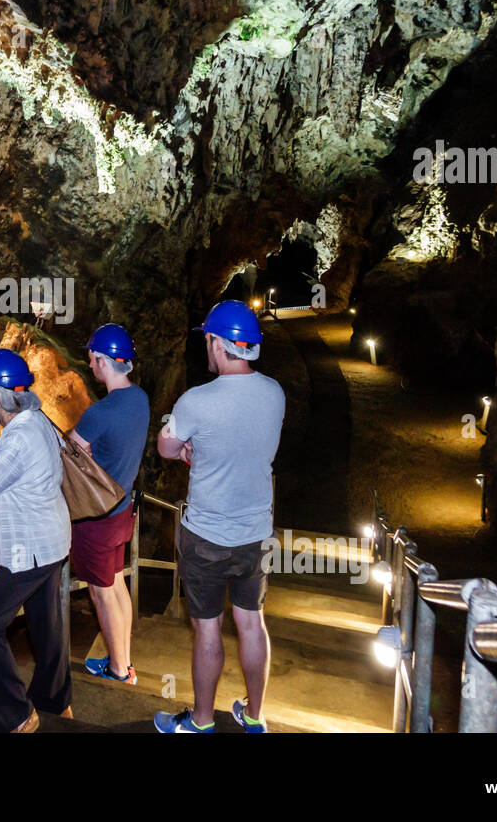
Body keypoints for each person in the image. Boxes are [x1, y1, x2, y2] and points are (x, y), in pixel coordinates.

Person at [153, 300, 285, 733]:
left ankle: (202, 721)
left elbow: (168, 449)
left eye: (207, 340)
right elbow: (246, 447)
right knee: (251, 623)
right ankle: (254, 716)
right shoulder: (274, 394)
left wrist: (189, 447)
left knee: (208, 630)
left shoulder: (196, 401)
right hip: (255, 535)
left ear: (218, 343)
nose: (205, 348)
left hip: (206, 537)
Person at [0, 348, 73, 732]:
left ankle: (15, 716)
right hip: (54, 541)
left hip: (32, 548)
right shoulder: (36, 420)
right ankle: (55, 702)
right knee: (46, 623)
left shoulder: (19, 437)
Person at [70, 324, 150, 685]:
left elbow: (69, 455)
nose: (90, 365)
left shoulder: (98, 413)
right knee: (117, 585)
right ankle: (125, 660)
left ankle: (119, 671)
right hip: (123, 511)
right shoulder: (141, 399)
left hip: (98, 517)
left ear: (104, 361)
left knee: (102, 594)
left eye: (91, 359)